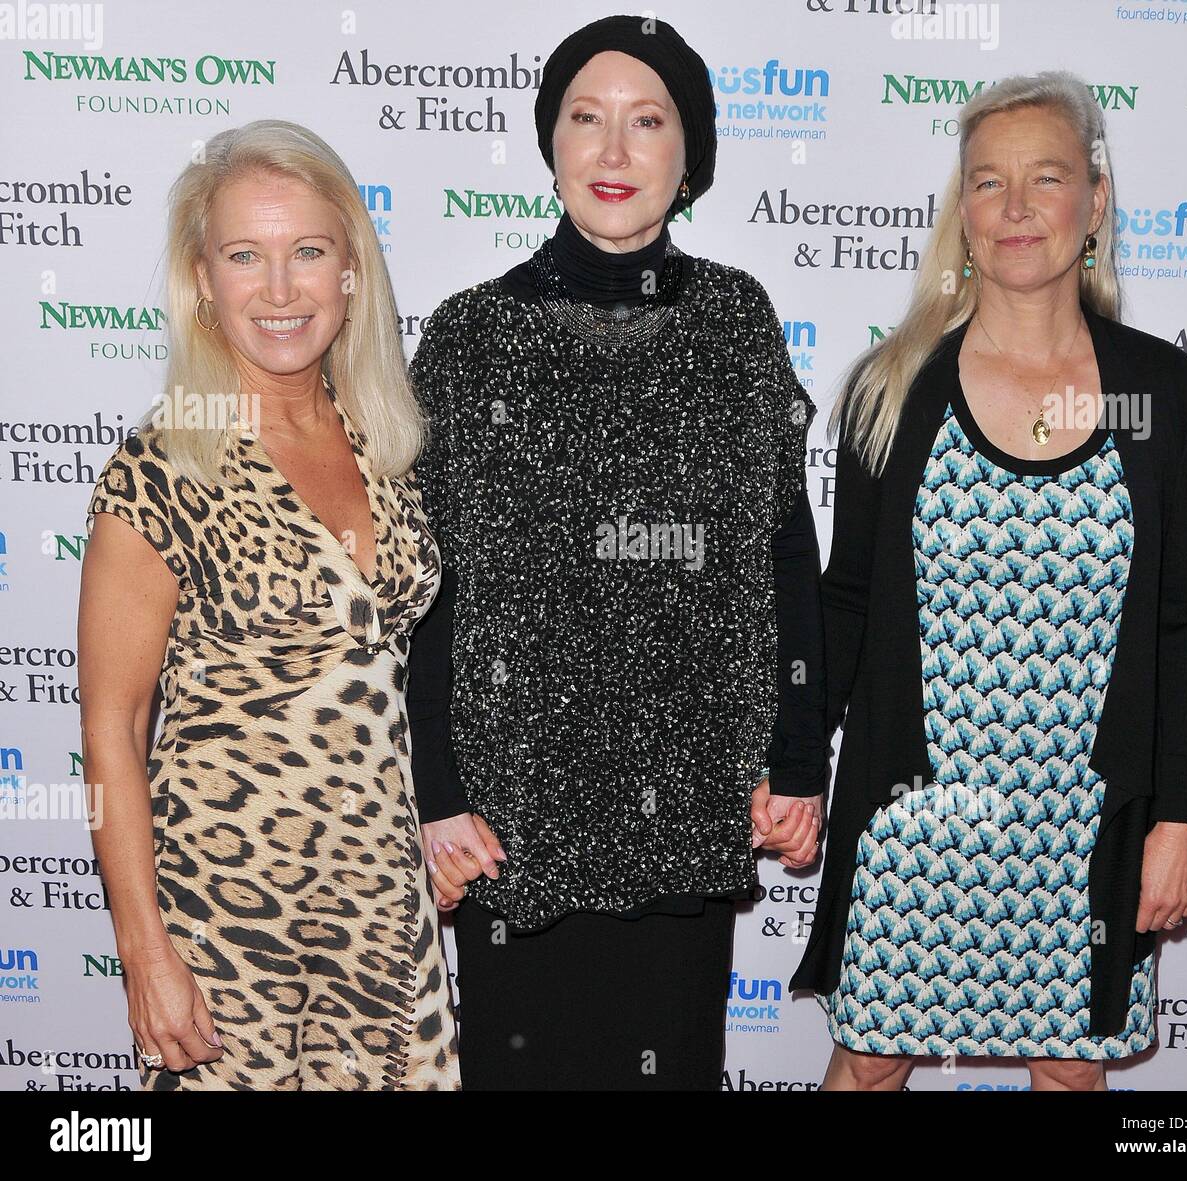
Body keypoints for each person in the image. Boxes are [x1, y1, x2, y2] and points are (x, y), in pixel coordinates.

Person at [407, 15, 827, 1090]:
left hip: (685, 794)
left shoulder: (735, 319)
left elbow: (785, 551)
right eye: (585, 119)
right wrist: (436, 788)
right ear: (550, 141)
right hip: (510, 815)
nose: (612, 151)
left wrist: (792, 758)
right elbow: (428, 590)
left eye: (647, 123)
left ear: (690, 160)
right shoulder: (468, 334)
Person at [789, 71, 1187, 1091]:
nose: (1018, 208)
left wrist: (1179, 819)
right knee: (865, 1062)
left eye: (1046, 178)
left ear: (1094, 202)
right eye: (989, 183)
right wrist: (797, 757)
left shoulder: (1157, 397)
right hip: (914, 819)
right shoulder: (895, 388)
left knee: (1070, 1071)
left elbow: (1183, 624)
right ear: (963, 211)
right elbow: (845, 599)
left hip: (1085, 826)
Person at [78, 120, 459, 1091]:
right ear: (202, 277)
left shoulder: (388, 440)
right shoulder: (163, 465)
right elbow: (111, 726)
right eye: (245, 255)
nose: (280, 289)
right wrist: (145, 953)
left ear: (350, 272)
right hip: (225, 924)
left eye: (307, 252)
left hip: (380, 915)